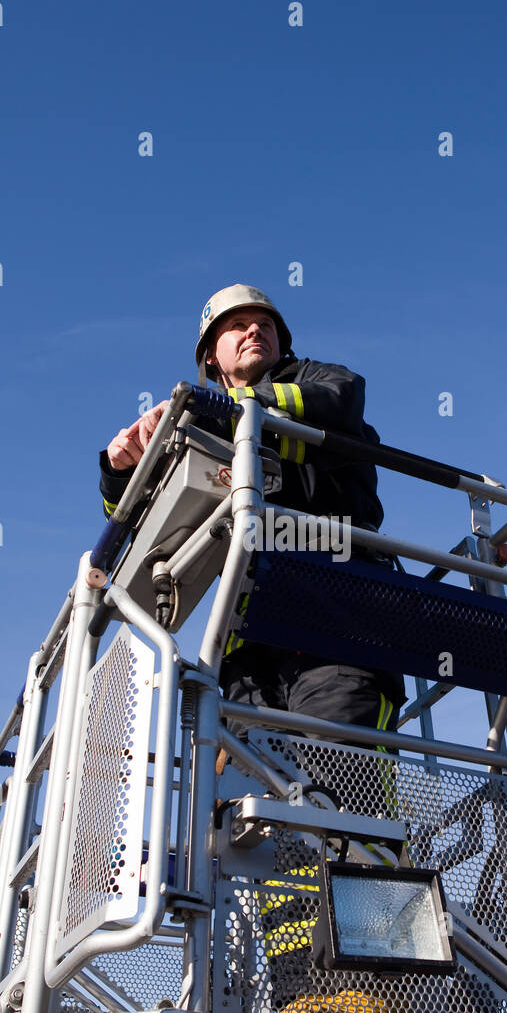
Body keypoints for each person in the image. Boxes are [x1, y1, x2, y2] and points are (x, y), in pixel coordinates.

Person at [99, 284, 406, 735]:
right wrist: (121, 471)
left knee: (339, 772)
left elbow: (340, 403)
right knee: (248, 793)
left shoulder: (316, 382)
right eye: (237, 326)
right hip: (250, 643)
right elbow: (136, 528)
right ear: (210, 356)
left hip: (345, 619)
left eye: (265, 325)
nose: (254, 331)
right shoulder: (198, 427)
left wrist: (219, 410)